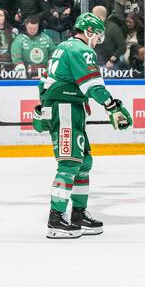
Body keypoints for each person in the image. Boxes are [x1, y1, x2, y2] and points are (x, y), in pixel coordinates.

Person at [31, 12, 132, 238]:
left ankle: (78, 214)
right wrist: (112, 106)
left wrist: (45, 109)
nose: (96, 41)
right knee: (69, 163)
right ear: (88, 32)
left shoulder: (63, 47)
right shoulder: (81, 50)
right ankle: (55, 219)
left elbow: (44, 83)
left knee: (83, 161)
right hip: (65, 109)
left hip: (69, 108)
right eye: (96, 36)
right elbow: (93, 86)